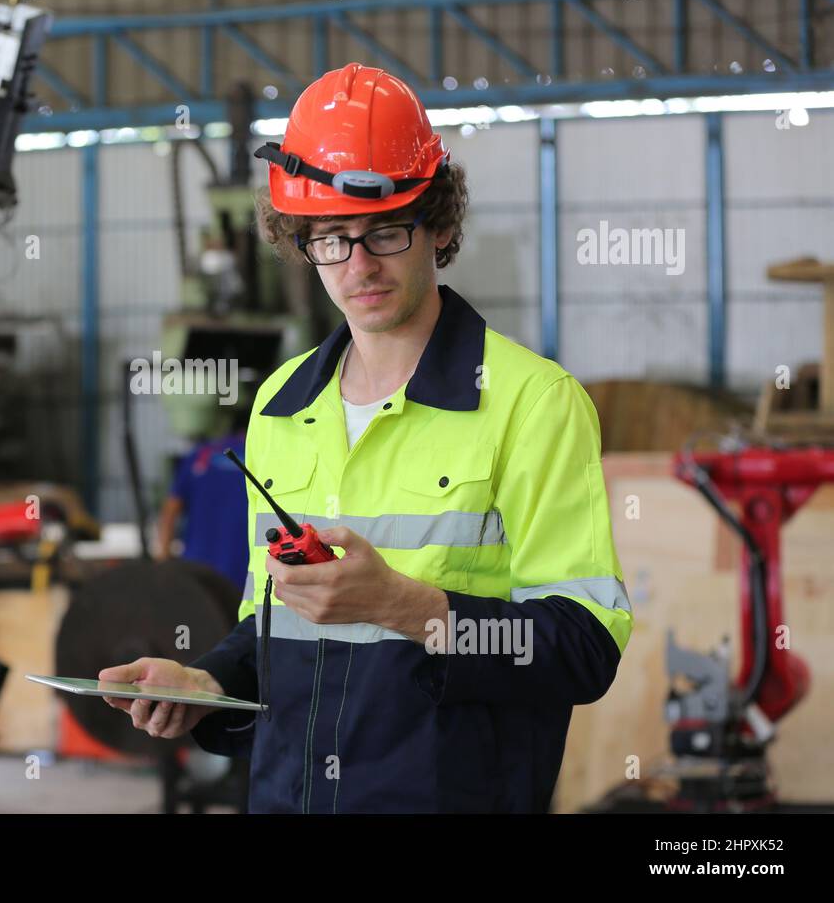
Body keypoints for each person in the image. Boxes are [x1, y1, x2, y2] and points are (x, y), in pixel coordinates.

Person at [101, 63, 631, 813]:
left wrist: (404, 607)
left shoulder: (532, 403)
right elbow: (274, 623)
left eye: (385, 231)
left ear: (439, 224)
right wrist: (211, 683)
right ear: (300, 241)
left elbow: (581, 648)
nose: (359, 266)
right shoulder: (281, 406)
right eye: (330, 239)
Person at [154, 411, 250, 591]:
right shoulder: (264, 456)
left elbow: (170, 511)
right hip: (247, 569)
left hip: (198, 567)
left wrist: (164, 560)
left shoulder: (200, 455)